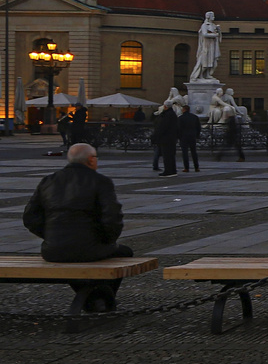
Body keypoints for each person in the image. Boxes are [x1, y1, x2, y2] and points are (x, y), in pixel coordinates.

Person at [24, 144, 131, 311]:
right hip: (89, 249)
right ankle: (101, 298)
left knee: (72, 258)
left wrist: (50, 235)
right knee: (124, 253)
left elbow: (30, 217)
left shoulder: (49, 181)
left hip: (53, 251)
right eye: (96, 157)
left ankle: (92, 297)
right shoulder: (100, 181)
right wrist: (106, 240)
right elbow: (112, 218)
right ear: (90, 160)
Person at [152, 106, 179, 177]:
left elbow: (161, 127)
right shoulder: (173, 115)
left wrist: (155, 136)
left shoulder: (165, 116)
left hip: (165, 139)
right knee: (171, 155)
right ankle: (173, 170)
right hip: (172, 138)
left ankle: (168, 171)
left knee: (166, 155)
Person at [178, 105, 201, 173]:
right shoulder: (194, 117)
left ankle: (186, 168)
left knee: (185, 153)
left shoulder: (180, 118)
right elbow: (198, 127)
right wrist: (197, 135)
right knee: (194, 152)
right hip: (192, 136)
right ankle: (196, 167)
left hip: (184, 136)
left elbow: (178, 128)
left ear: (183, 110)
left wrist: (179, 136)